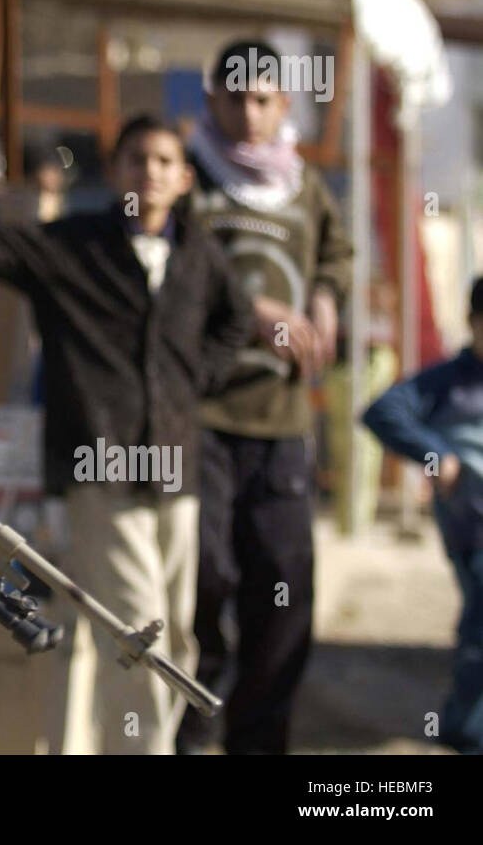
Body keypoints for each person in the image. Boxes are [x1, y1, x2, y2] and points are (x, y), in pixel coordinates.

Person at [0, 112, 254, 753]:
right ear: (116, 172)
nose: (149, 173)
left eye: (162, 162)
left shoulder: (200, 256)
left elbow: (235, 322)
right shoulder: (75, 248)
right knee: (137, 630)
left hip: (176, 473)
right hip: (100, 470)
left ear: (183, 178)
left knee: (177, 635)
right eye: (136, 160)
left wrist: (195, 382)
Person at [176, 39, 353, 755]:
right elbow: (172, 268)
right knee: (206, 580)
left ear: (283, 104)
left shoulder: (302, 186)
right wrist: (254, 312)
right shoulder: (189, 179)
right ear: (211, 100)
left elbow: (335, 252)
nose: (249, 115)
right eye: (234, 98)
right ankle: (195, 728)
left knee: (283, 591)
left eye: (263, 100)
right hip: (203, 419)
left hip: (280, 426)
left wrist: (325, 298)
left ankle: (260, 740)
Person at [362, 278, 483, 755]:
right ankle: (467, 733)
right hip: (473, 528)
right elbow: (382, 412)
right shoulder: (445, 383)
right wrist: (438, 455)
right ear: (473, 324)